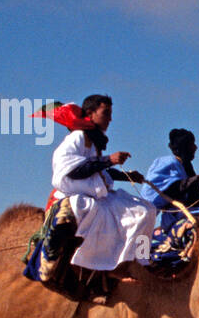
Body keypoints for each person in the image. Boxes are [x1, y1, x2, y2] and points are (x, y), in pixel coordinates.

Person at [49, 94, 157, 273]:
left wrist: (127, 175)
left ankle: (141, 258)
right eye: (106, 113)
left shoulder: (94, 140)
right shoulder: (78, 138)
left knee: (149, 210)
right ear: (90, 113)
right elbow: (71, 170)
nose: (110, 119)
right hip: (80, 197)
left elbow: (98, 171)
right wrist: (109, 160)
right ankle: (113, 265)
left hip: (100, 195)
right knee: (128, 216)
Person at [141, 128, 199, 230]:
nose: (195, 147)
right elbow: (172, 190)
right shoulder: (168, 163)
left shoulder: (185, 166)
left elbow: (194, 197)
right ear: (184, 147)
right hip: (177, 215)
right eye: (192, 144)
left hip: (194, 210)